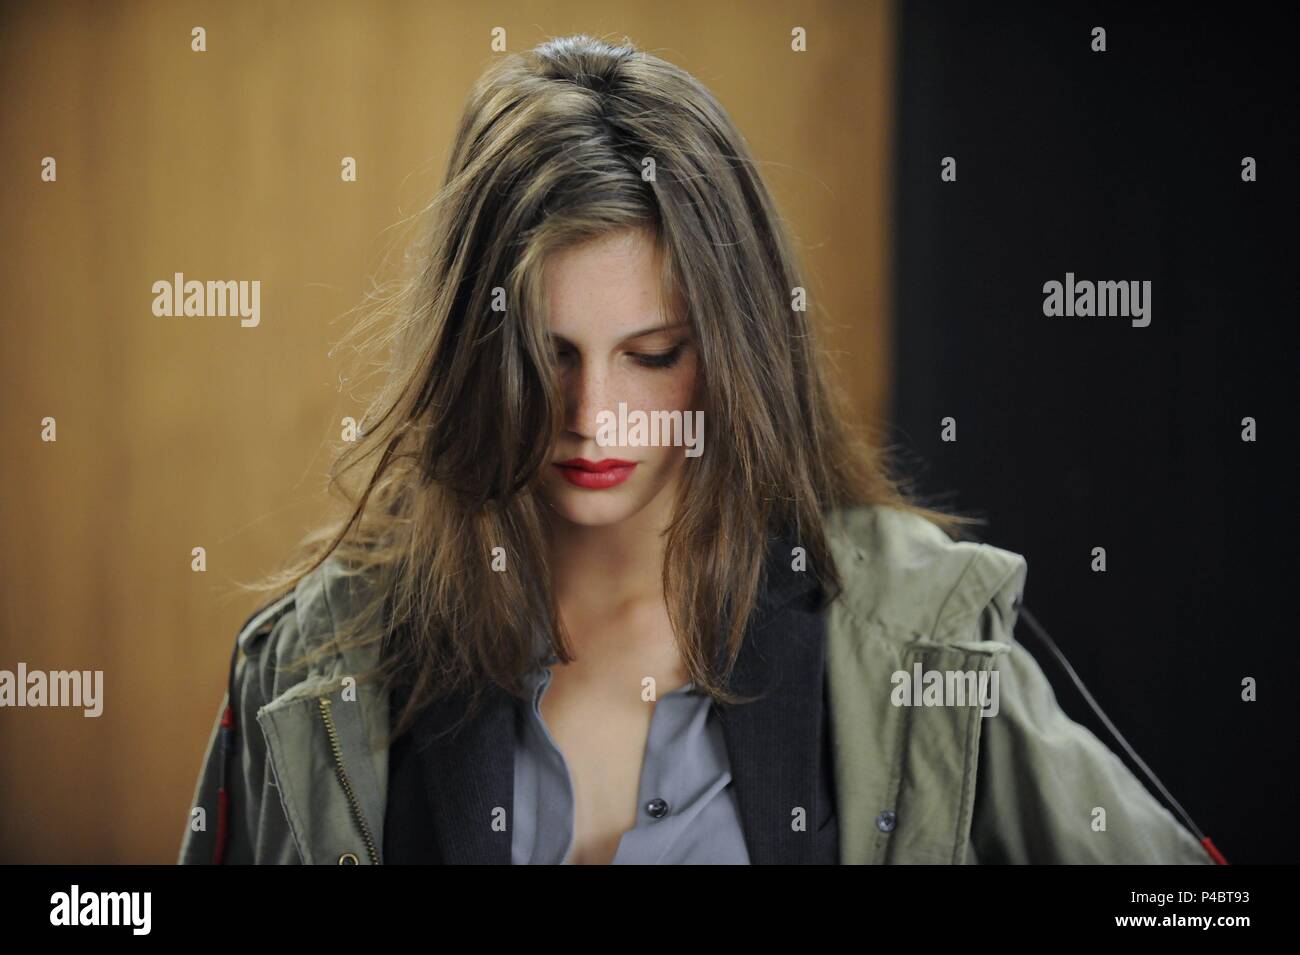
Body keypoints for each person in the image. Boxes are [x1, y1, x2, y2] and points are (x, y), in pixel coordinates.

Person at [177, 34, 1214, 866]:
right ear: (471, 350)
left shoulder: (912, 634)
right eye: (547, 358)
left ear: (732, 354)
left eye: (652, 354)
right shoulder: (316, 664)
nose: (593, 413)